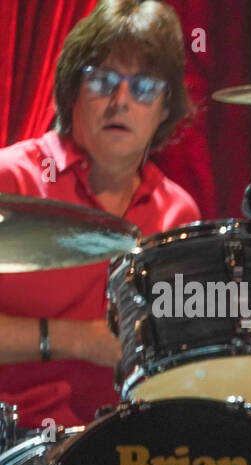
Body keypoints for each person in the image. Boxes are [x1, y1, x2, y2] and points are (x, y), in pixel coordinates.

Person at [0, 0, 199, 429]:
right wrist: (74, 339)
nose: (121, 101)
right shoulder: (10, 179)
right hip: (11, 449)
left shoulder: (177, 212)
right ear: (72, 91)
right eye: (103, 81)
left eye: (144, 87)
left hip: (121, 450)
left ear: (165, 108)